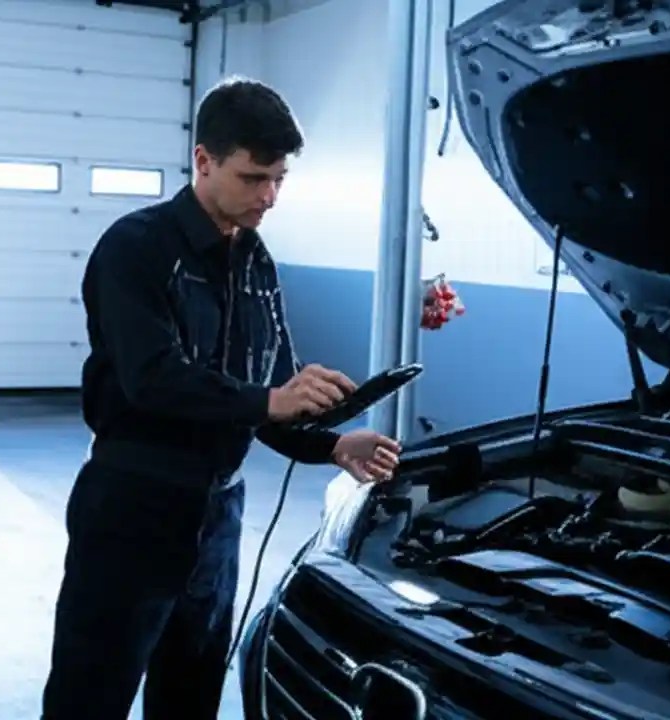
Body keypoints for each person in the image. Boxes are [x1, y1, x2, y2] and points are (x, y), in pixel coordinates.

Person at [40, 77, 403, 720]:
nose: (268, 196)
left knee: (192, 693)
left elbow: (268, 396)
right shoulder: (135, 249)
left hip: (217, 520)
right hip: (131, 510)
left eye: (279, 180)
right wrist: (269, 401)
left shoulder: (258, 263)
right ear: (203, 161)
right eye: (253, 177)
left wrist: (334, 444)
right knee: (89, 694)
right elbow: (152, 377)